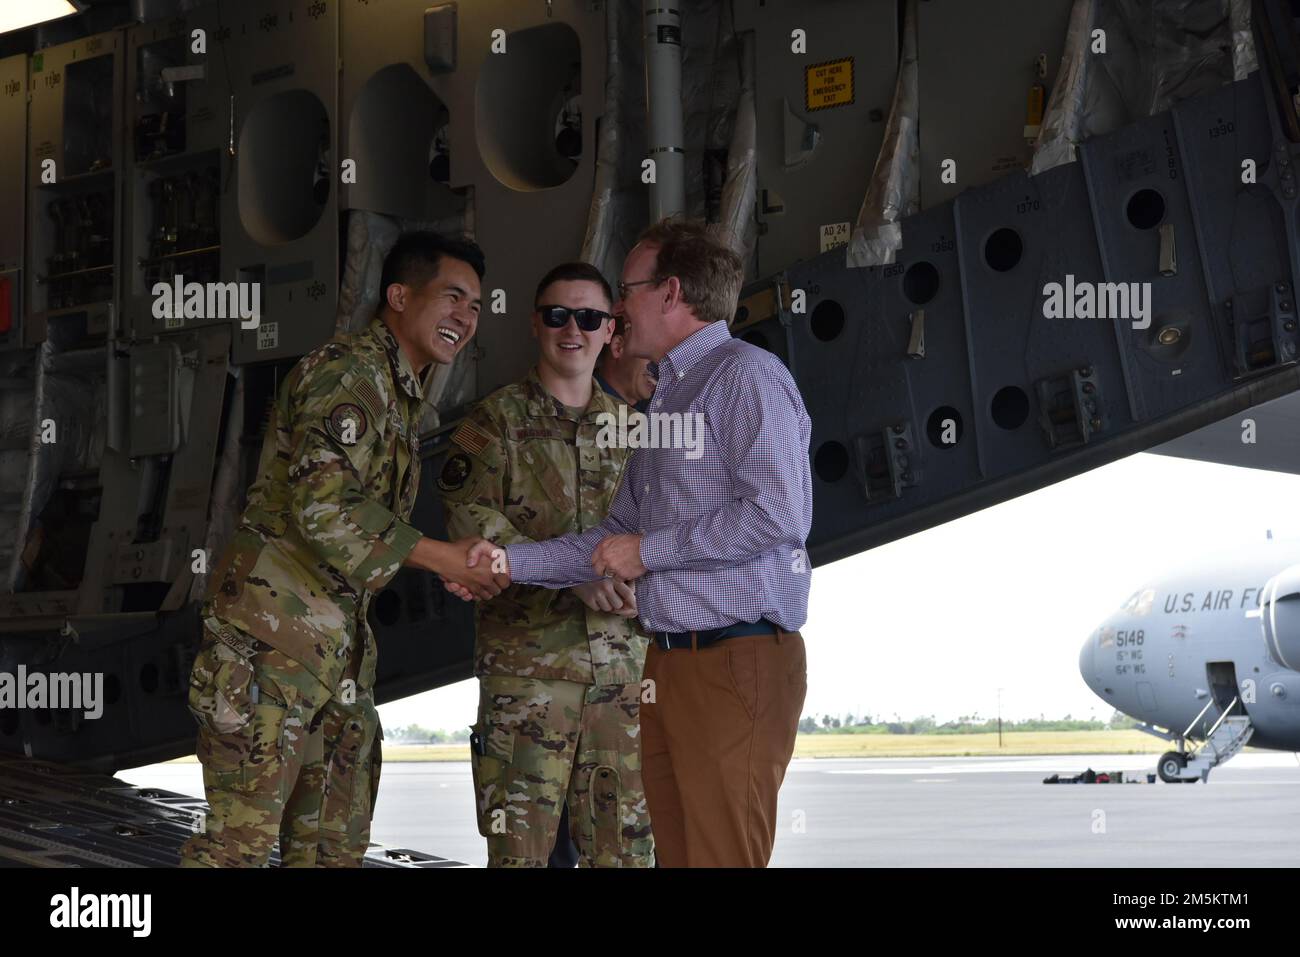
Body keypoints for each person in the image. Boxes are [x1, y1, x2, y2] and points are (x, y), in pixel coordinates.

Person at [469, 218, 812, 867]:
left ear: (672, 292)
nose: (617, 307)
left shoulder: (744, 377)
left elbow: (777, 513)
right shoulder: (672, 395)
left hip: (732, 660)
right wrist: (509, 560)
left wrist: (647, 552)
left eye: (626, 289)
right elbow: (609, 538)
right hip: (670, 665)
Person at [180, 231, 505, 868]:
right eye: (452, 297)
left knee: (332, 851)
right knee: (235, 852)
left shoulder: (400, 392)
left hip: (336, 656)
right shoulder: (348, 372)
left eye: (477, 306)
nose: (466, 318)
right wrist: (440, 556)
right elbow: (322, 506)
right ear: (399, 296)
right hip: (270, 645)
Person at [439, 261, 654, 868]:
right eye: (558, 315)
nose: (573, 330)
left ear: (611, 329)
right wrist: (576, 575)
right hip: (528, 681)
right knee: (521, 857)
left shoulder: (639, 432)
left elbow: (669, 534)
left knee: (627, 856)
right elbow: (471, 524)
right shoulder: (489, 426)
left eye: (589, 318)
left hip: (622, 680)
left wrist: (646, 585)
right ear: (536, 324)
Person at [595, 313, 657, 413]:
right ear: (618, 347)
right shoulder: (581, 403)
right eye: (650, 351)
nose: (661, 365)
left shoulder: (659, 410)